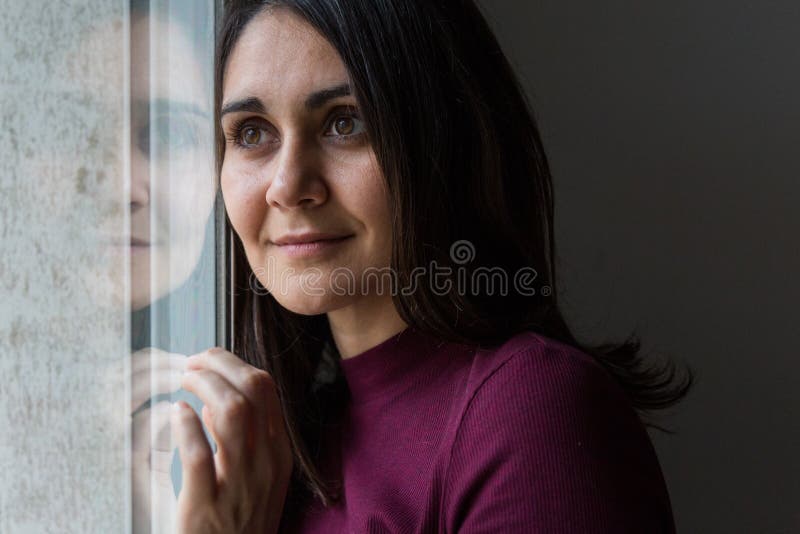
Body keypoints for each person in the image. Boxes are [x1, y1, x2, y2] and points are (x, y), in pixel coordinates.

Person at [169, 1, 694, 532]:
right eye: (252, 132)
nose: (287, 186)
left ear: (445, 137)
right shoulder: (277, 448)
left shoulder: (532, 412)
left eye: (345, 122)